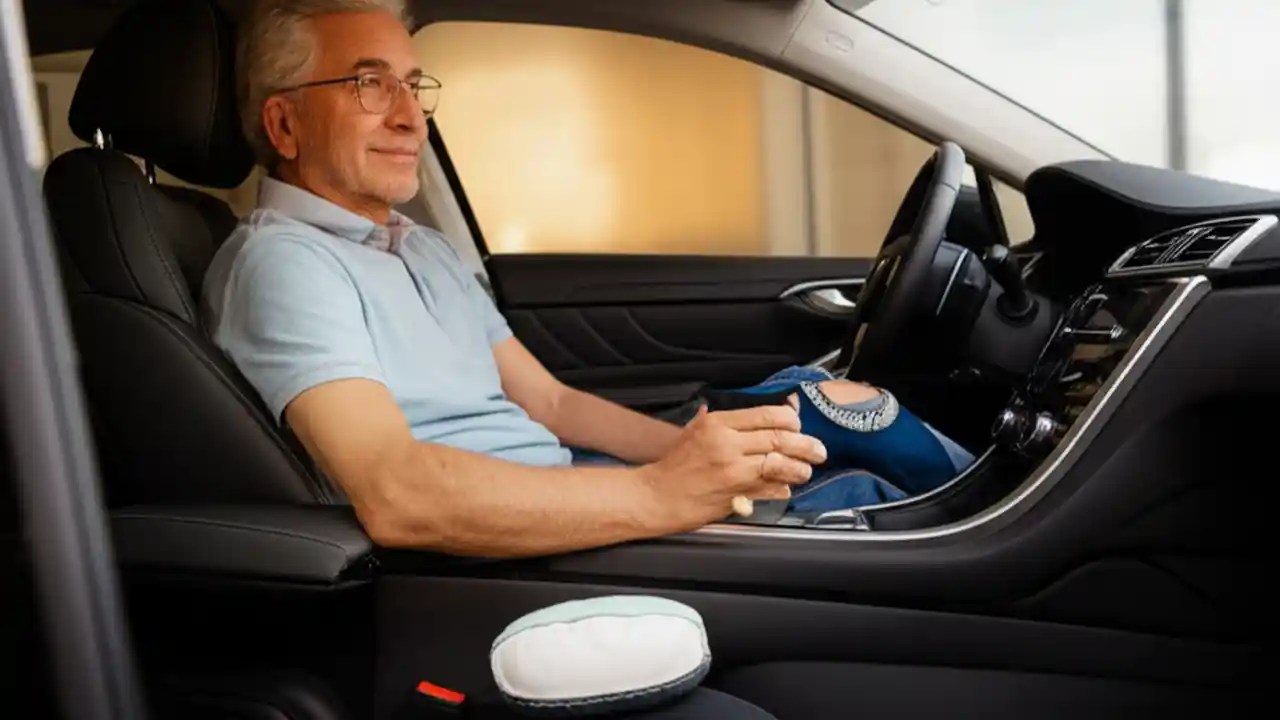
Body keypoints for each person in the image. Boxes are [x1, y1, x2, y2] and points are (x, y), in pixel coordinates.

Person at [202, 0, 973, 561]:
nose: (411, 117)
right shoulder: (285, 263)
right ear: (284, 125)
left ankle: (986, 495)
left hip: (563, 491)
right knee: (878, 503)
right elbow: (398, 494)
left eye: (413, 84)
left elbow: (552, 403)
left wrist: (690, 455)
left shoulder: (418, 248)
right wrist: (661, 493)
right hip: (504, 557)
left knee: (830, 410)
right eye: (369, 85)